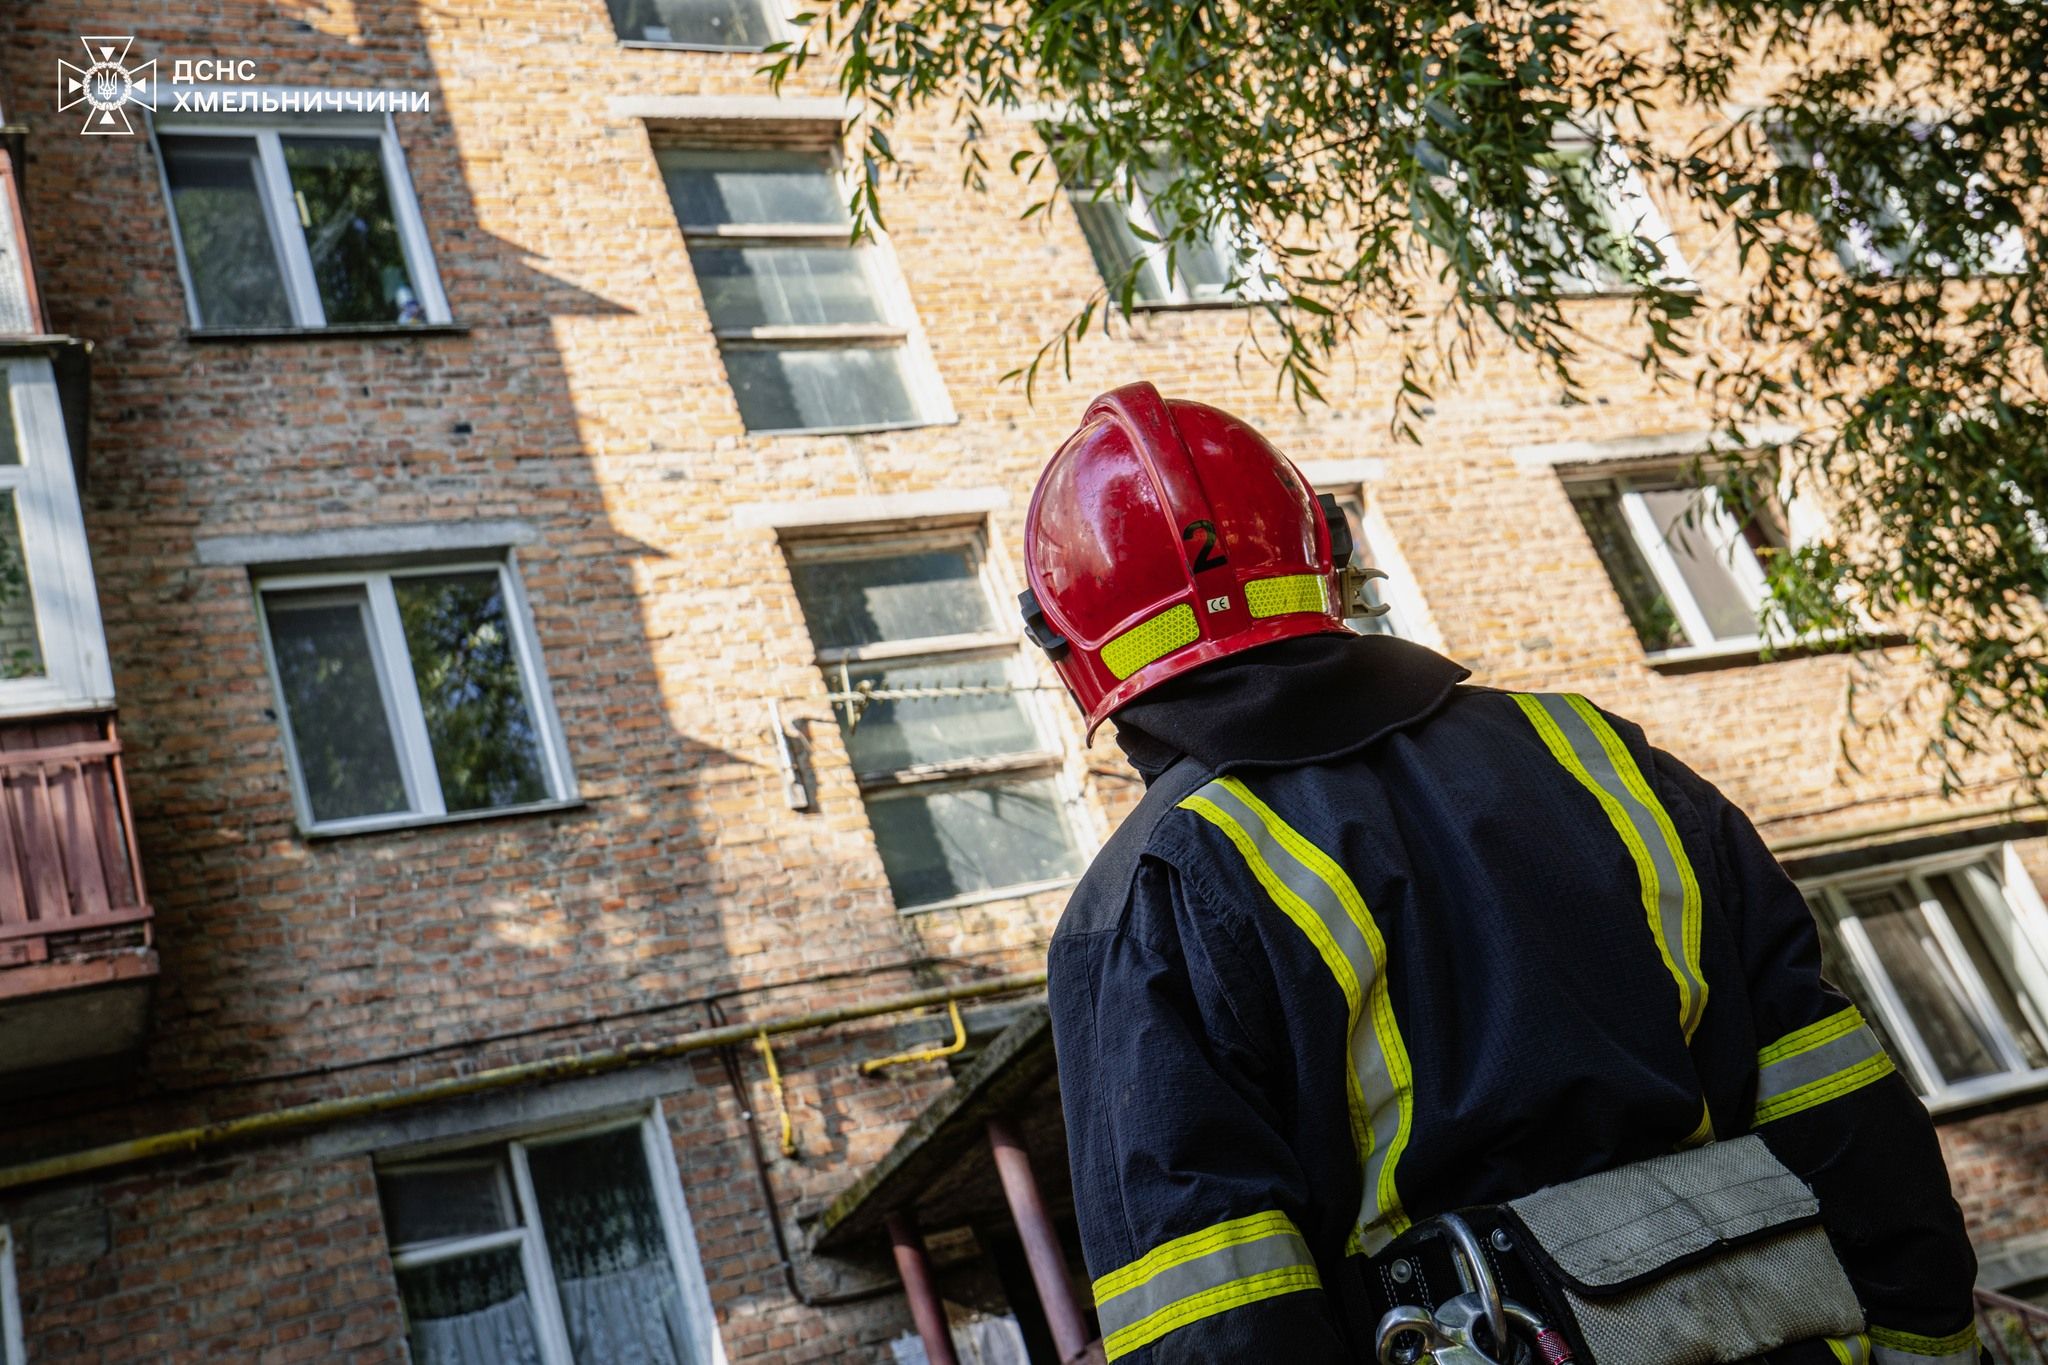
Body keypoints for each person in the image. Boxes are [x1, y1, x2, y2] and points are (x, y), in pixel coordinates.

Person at [1021, 383, 1980, 1365]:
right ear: (1327, 561)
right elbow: (1840, 1109)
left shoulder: (1148, 896)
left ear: (1066, 648)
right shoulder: (1599, 757)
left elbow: (1212, 1317)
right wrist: (1926, 1344)